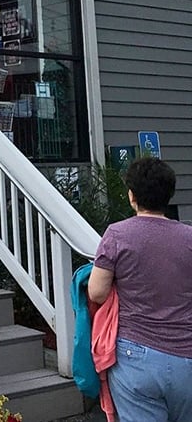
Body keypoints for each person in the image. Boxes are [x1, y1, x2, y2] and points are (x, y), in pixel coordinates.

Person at [87, 157, 192, 422]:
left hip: (136, 355)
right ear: (168, 195)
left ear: (132, 196)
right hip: (186, 355)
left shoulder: (116, 235)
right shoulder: (189, 237)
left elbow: (96, 292)